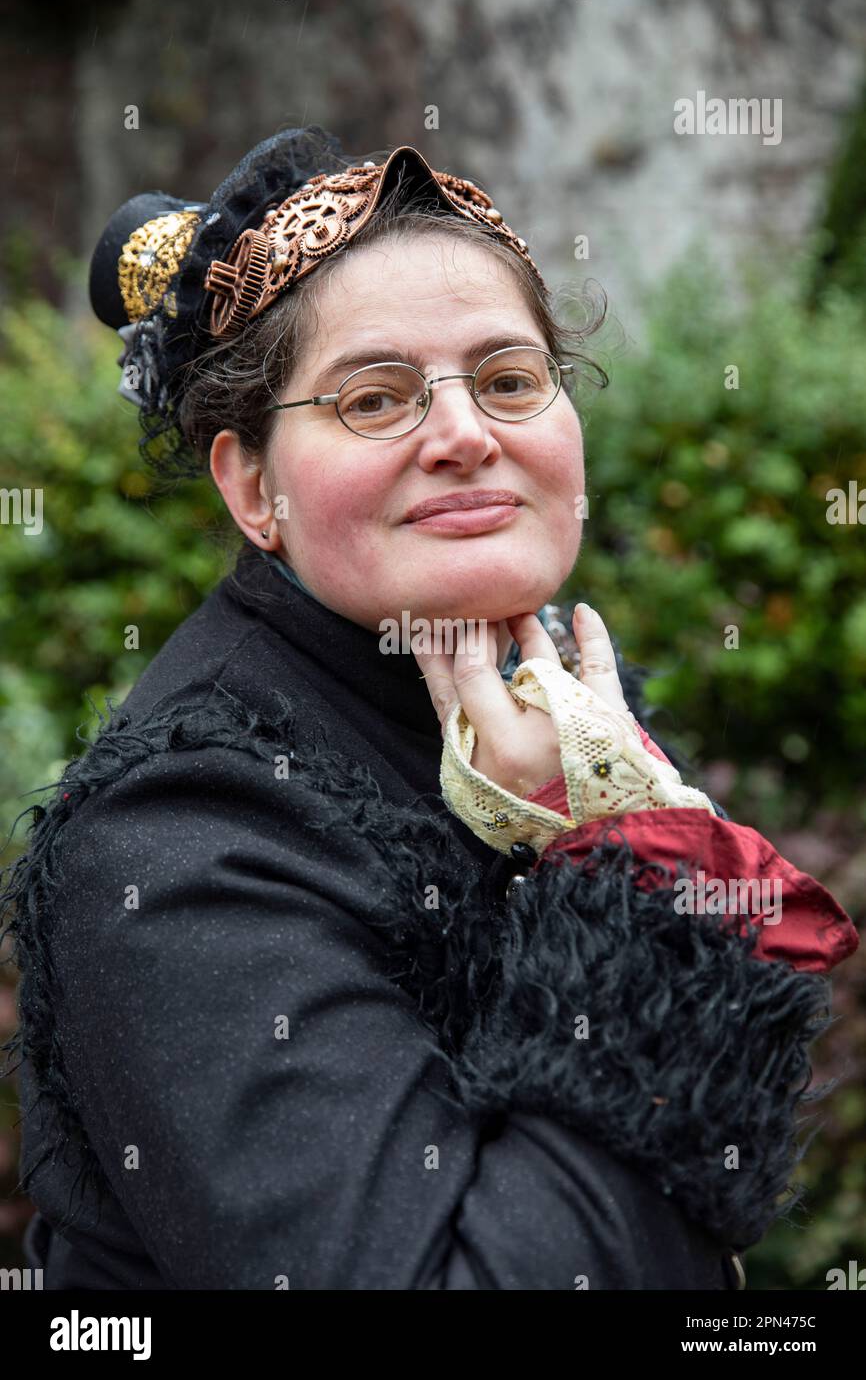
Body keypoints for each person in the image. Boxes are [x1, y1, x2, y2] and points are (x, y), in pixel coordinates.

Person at [0, 125, 857, 1291]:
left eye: (509, 380)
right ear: (253, 485)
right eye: (373, 398)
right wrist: (606, 852)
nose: (465, 435)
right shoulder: (181, 836)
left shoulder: (549, 707)